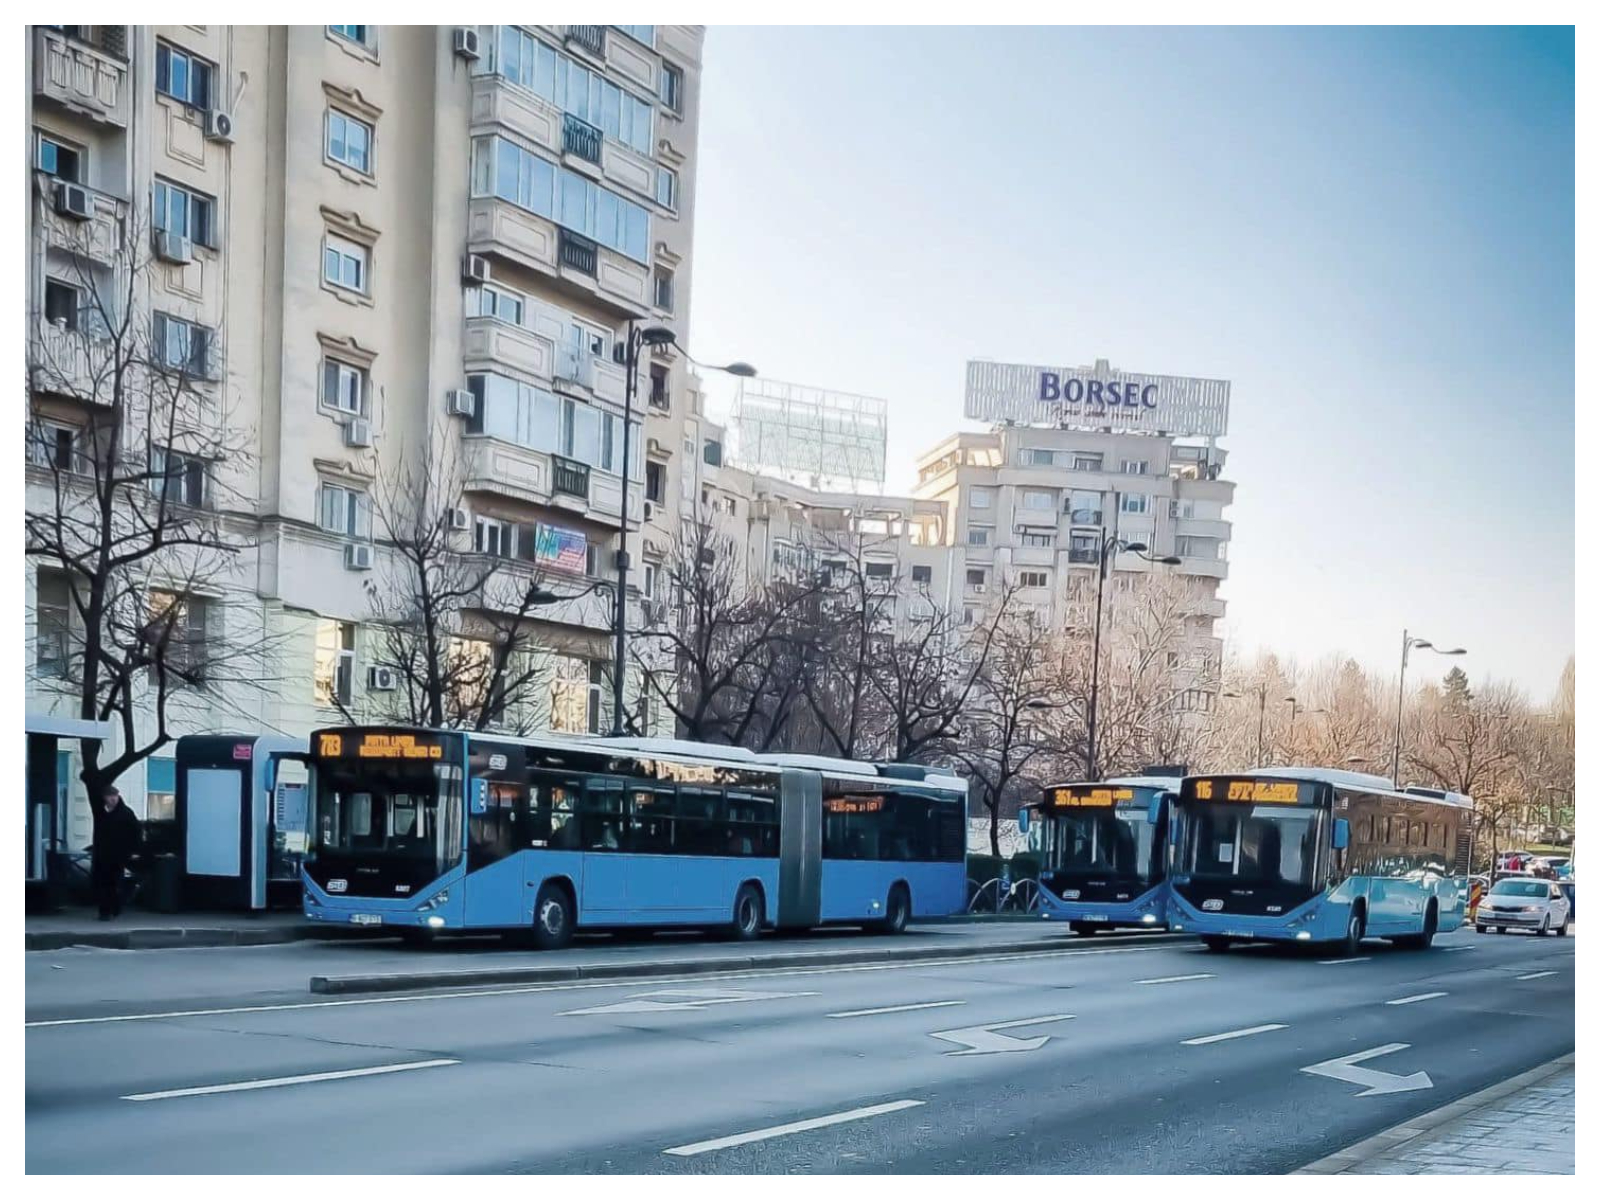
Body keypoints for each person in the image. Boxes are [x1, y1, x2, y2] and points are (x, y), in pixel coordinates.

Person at [91, 785, 142, 921]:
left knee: (113, 883)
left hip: (119, 854)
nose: (113, 799)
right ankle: (106, 911)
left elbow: (136, 831)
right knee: (104, 883)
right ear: (105, 798)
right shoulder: (102, 813)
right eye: (110, 796)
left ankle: (112, 909)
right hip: (103, 854)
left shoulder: (126, 813)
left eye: (115, 796)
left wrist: (134, 850)